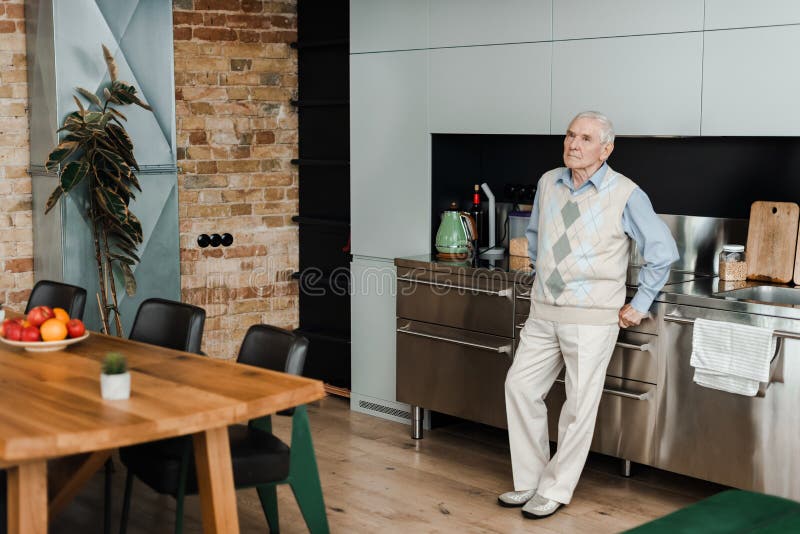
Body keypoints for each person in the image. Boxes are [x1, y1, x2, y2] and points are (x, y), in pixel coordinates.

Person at [498, 111, 679, 519]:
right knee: (520, 388)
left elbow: (663, 252)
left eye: (584, 138)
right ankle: (528, 481)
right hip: (544, 310)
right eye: (569, 135)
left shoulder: (626, 193)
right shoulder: (549, 182)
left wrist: (641, 303)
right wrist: (541, 273)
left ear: (606, 149)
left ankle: (556, 489)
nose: (573, 144)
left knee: (579, 406)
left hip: (592, 318)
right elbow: (536, 236)